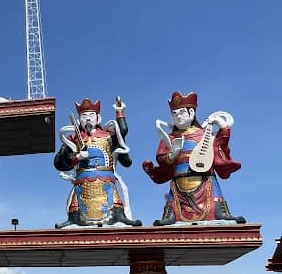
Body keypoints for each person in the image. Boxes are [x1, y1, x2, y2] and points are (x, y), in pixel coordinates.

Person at [143, 91, 244, 225]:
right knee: (171, 213)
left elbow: (220, 147)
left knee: (217, 210)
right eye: (174, 114)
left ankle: (221, 213)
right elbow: (161, 157)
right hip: (179, 183)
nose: (178, 117)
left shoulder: (205, 134)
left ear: (192, 112)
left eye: (182, 112)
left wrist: (223, 128)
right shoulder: (170, 138)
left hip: (205, 181)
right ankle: (170, 214)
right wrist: (171, 156)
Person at [54, 97, 141, 228]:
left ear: (98, 118)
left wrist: (119, 112)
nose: (88, 119)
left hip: (105, 179)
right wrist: (76, 157)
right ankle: (73, 218)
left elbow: (122, 131)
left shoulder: (107, 135)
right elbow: (59, 162)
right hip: (83, 181)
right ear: (78, 120)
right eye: (83, 116)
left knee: (114, 203)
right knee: (77, 206)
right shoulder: (73, 138)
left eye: (91, 115)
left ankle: (119, 216)